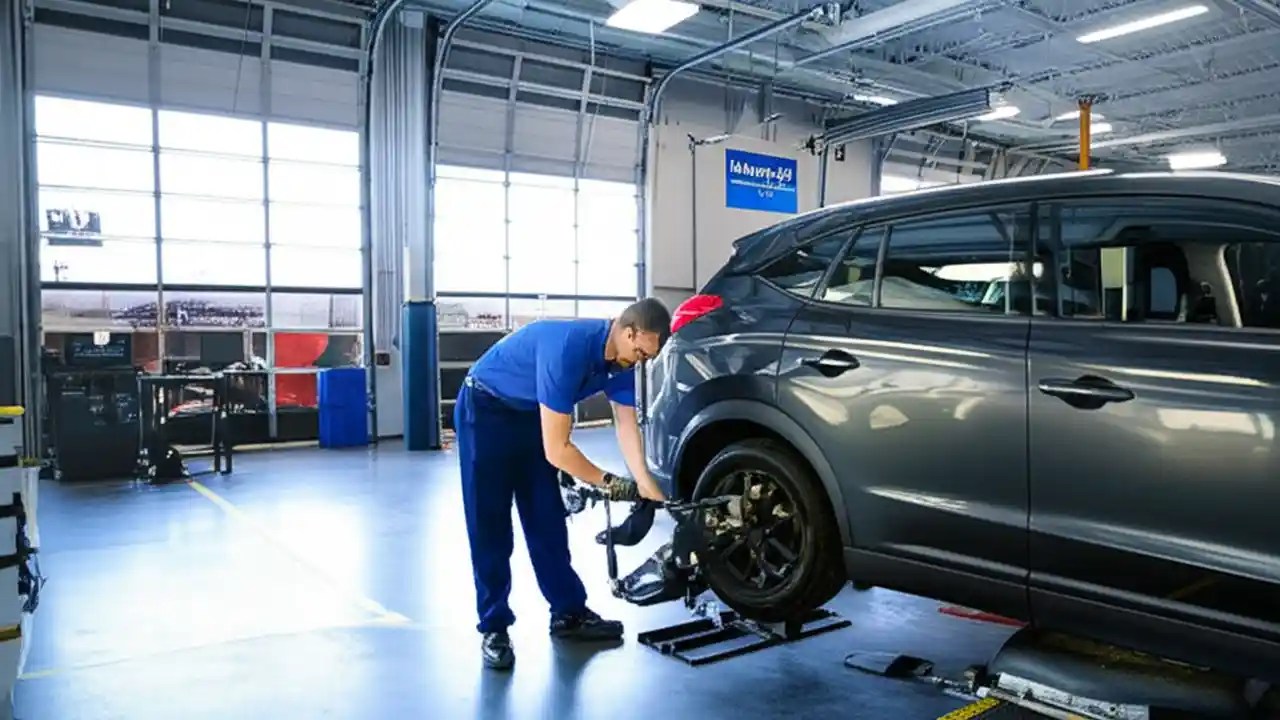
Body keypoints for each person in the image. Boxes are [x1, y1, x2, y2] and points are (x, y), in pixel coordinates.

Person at [454, 298, 671, 670]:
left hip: (528, 414)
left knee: (546, 519)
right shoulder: (568, 349)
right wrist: (612, 484)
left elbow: (625, 426)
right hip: (486, 411)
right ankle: (494, 627)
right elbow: (558, 450)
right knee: (490, 524)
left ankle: (568, 613)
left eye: (646, 358)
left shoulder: (619, 361)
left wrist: (645, 483)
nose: (640, 361)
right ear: (626, 330)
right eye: (639, 351)